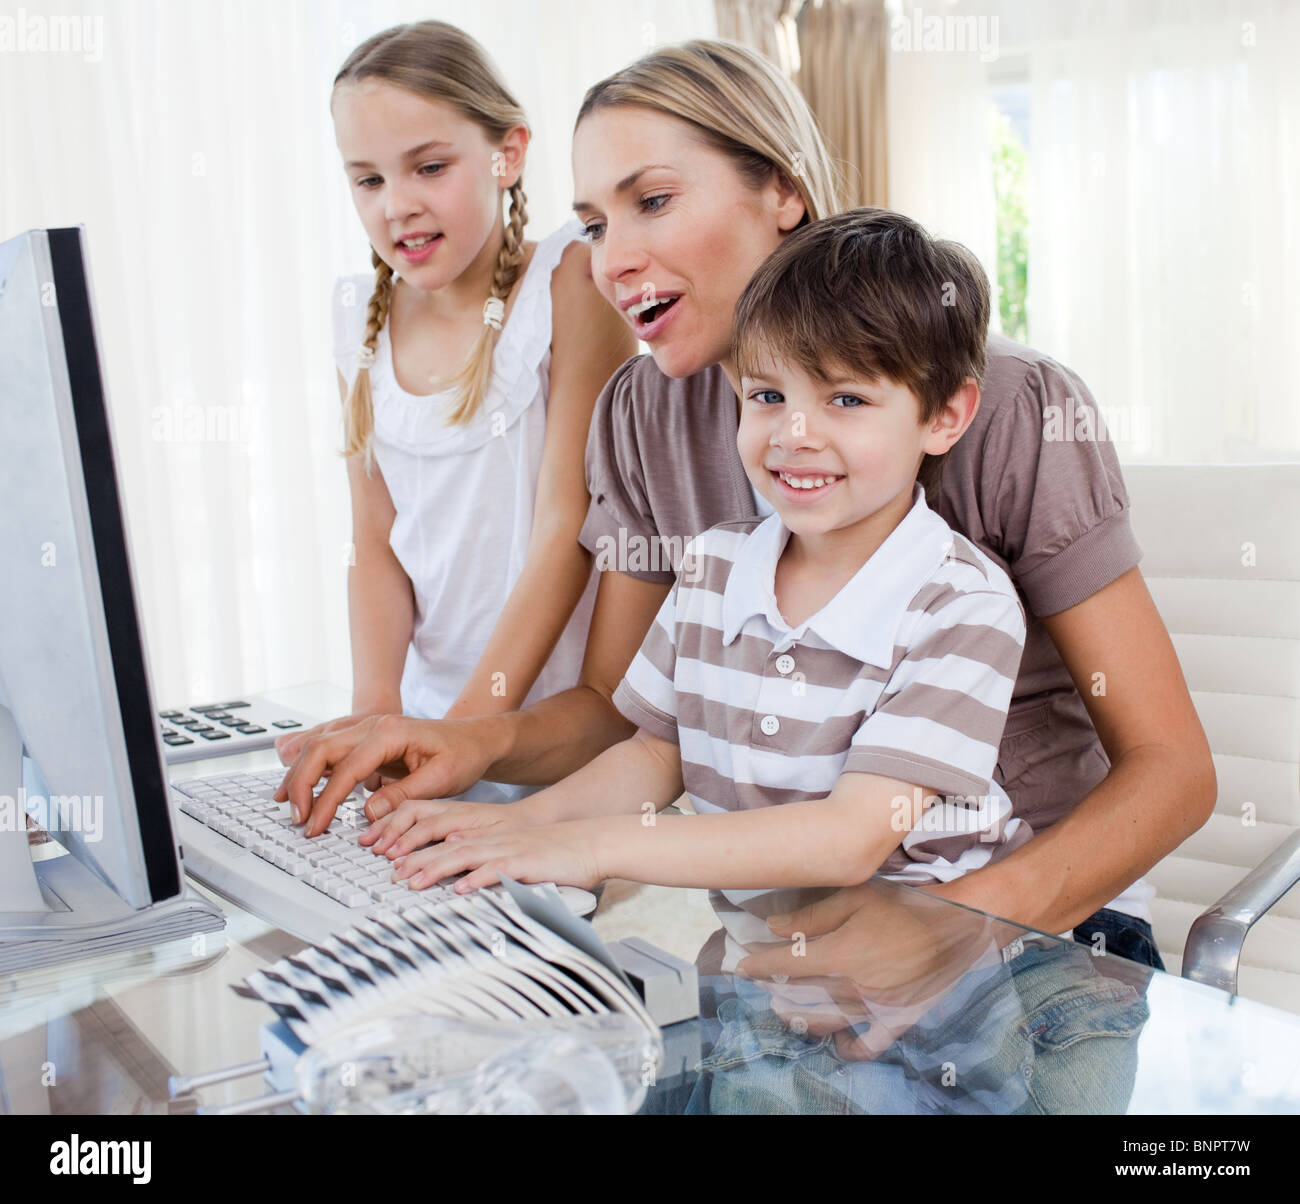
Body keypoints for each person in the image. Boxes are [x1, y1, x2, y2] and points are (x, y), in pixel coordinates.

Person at [276, 40, 1215, 975]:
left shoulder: (1005, 405)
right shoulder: (643, 415)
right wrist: (471, 746)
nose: (616, 259)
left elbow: (1173, 771)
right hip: (787, 943)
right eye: (595, 225)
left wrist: (957, 926)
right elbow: (628, 716)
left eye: (652, 201)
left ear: (780, 192)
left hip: (1035, 931)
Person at [359, 208, 1030, 965]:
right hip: (772, 972)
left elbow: (847, 840)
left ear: (945, 416)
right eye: (767, 395)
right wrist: (523, 828)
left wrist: (591, 850)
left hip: (937, 994)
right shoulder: (714, 567)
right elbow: (654, 756)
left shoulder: (962, 606)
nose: (795, 433)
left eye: (845, 399)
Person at [275, 20, 633, 827]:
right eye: (366, 180)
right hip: (435, 725)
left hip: (544, 731)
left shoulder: (570, 279)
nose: (397, 205)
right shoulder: (355, 318)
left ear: (507, 153)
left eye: (429, 167)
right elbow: (375, 543)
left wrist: (466, 730)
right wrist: (377, 711)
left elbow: (563, 526)